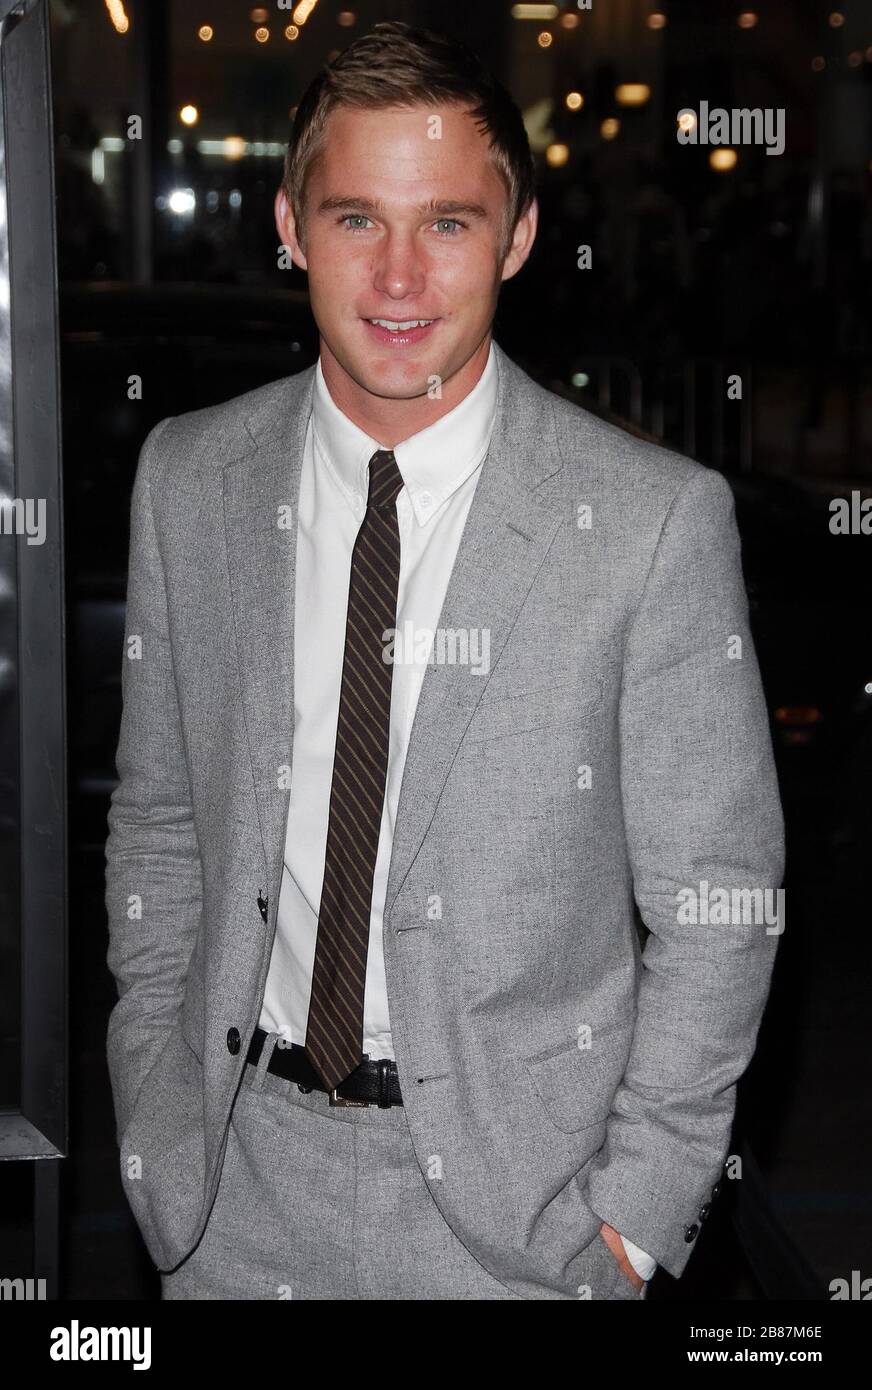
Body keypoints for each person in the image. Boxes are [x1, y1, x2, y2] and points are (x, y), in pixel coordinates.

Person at [105, 20, 785, 1301]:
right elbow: (158, 827)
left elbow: (717, 902)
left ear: (518, 236)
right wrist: (155, 1119)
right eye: (358, 219)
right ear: (290, 226)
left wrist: (632, 1221)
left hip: (521, 1225)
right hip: (229, 1196)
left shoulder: (648, 520)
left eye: (450, 224)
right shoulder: (187, 481)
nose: (400, 277)